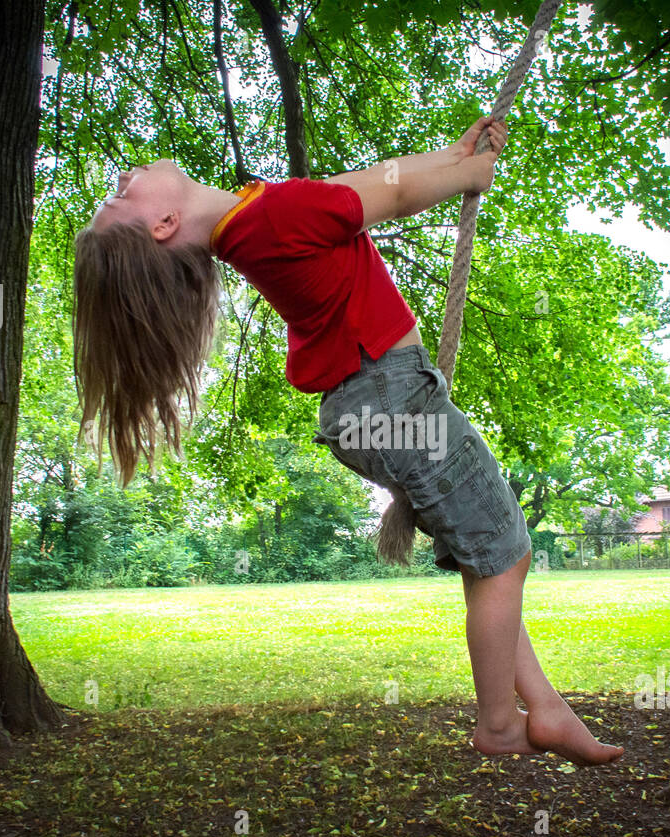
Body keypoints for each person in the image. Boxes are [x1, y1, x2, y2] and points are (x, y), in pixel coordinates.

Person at [73, 116, 623, 765]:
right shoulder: (271, 217)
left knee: (488, 554)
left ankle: (548, 710)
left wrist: (453, 155)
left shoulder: (256, 219)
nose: (121, 181)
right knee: (505, 557)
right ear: (163, 224)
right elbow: (385, 194)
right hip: (391, 398)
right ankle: (500, 725)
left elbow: (379, 181)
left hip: (370, 408)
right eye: (118, 199)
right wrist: (466, 175)